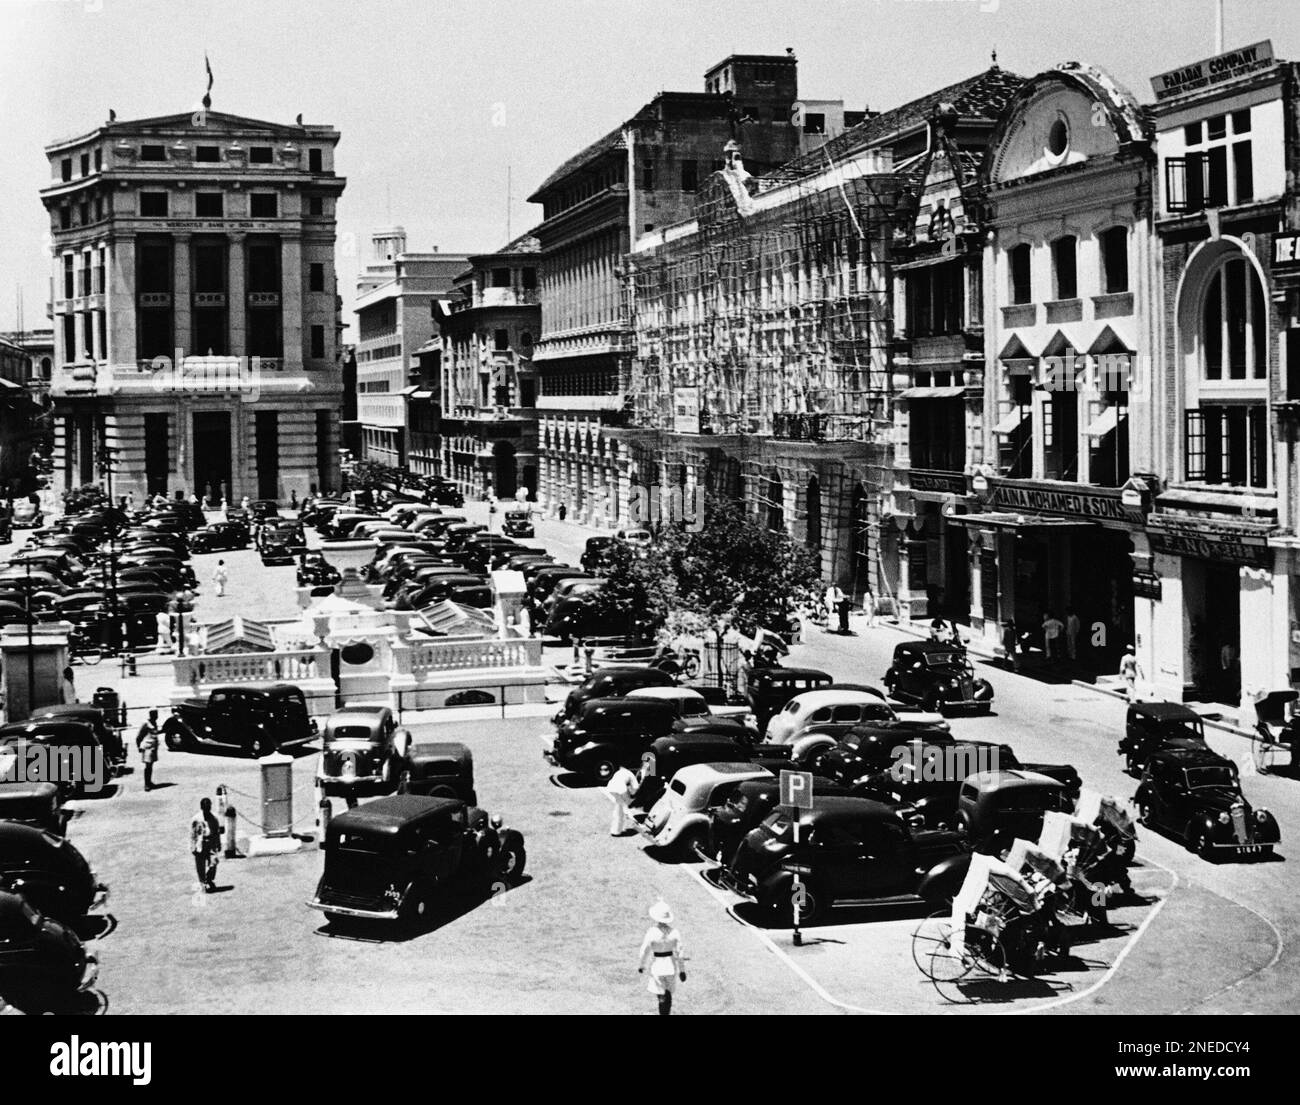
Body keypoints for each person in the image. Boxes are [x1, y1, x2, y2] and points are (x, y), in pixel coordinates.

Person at [638, 900, 686, 1016]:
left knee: (661, 994)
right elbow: (680, 953)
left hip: (657, 967)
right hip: (670, 966)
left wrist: (642, 965)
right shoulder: (675, 933)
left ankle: (663, 1013)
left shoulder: (652, 933)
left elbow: (644, 951)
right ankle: (666, 1012)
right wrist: (682, 970)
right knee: (668, 993)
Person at [190, 797, 223, 893]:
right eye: (205, 808)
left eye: (208, 808)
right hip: (200, 843)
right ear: (202, 808)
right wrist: (193, 847)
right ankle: (202, 883)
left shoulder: (214, 818)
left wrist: (219, 843)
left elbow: (217, 832)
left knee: (214, 862)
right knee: (200, 865)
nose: (207, 810)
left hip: (211, 842)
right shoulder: (196, 819)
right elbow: (192, 834)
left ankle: (209, 878)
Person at [605, 765, 639, 837]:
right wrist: (633, 795)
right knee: (626, 808)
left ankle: (615, 831)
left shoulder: (620, 772)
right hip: (621, 789)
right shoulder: (632, 775)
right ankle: (637, 822)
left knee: (619, 808)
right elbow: (636, 788)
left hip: (611, 788)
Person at [136, 709, 161, 791]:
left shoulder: (154, 723)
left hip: (153, 747)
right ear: (150, 715)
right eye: (154, 714)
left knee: (150, 766)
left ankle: (149, 782)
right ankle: (146, 784)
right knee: (148, 766)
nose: (156, 716)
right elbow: (139, 736)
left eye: (156, 714)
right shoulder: (146, 723)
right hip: (147, 747)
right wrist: (138, 746)